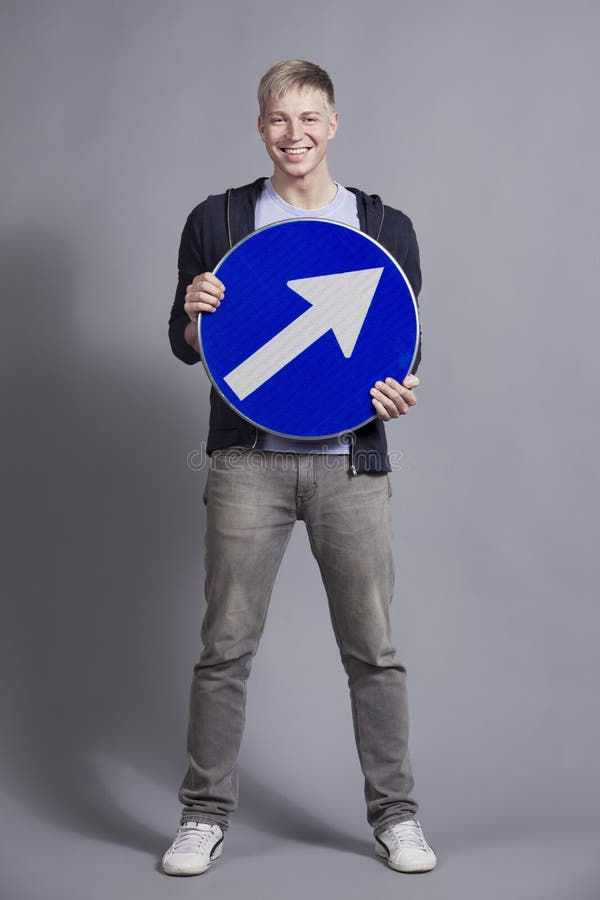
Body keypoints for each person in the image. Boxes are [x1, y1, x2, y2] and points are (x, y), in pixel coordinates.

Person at [162, 59, 436, 877]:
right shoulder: (219, 221)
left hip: (354, 464)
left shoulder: (384, 226)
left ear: (334, 123)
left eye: (310, 118)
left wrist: (399, 392)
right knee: (224, 649)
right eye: (280, 119)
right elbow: (184, 348)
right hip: (247, 464)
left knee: (374, 651)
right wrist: (190, 315)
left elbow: (403, 344)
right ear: (261, 127)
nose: (296, 135)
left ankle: (397, 816)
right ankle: (203, 814)